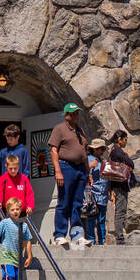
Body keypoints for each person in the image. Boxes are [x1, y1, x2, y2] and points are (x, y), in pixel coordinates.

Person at [48, 102, 90, 249]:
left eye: (77, 113)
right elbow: (53, 150)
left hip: (80, 169)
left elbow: (84, 153)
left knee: (77, 203)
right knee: (64, 201)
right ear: (67, 115)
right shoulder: (59, 129)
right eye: (73, 114)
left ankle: (77, 234)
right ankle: (59, 234)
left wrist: (87, 173)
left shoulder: (80, 131)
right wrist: (58, 170)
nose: (76, 116)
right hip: (66, 167)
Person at [107, 129, 135, 244]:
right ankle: (120, 238)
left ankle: (120, 237)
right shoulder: (116, 151)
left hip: (119, 186)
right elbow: (130, 162)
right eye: (125, 140)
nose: (126, 142)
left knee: (121, 211)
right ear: (119, 139)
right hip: (120, 186)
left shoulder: (115, 151)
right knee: (120, 212)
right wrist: (127, 160)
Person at [86, 138, 110, 245]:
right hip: (93, 193)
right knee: (91, 218)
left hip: (103, 194)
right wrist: (90, 167)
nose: (103, 151)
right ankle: (91, 239)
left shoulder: (102, 161)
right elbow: (81, 172)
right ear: (95, 149)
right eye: (101, 149)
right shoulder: (88, 159)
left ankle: (102, 240)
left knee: (102, 219)